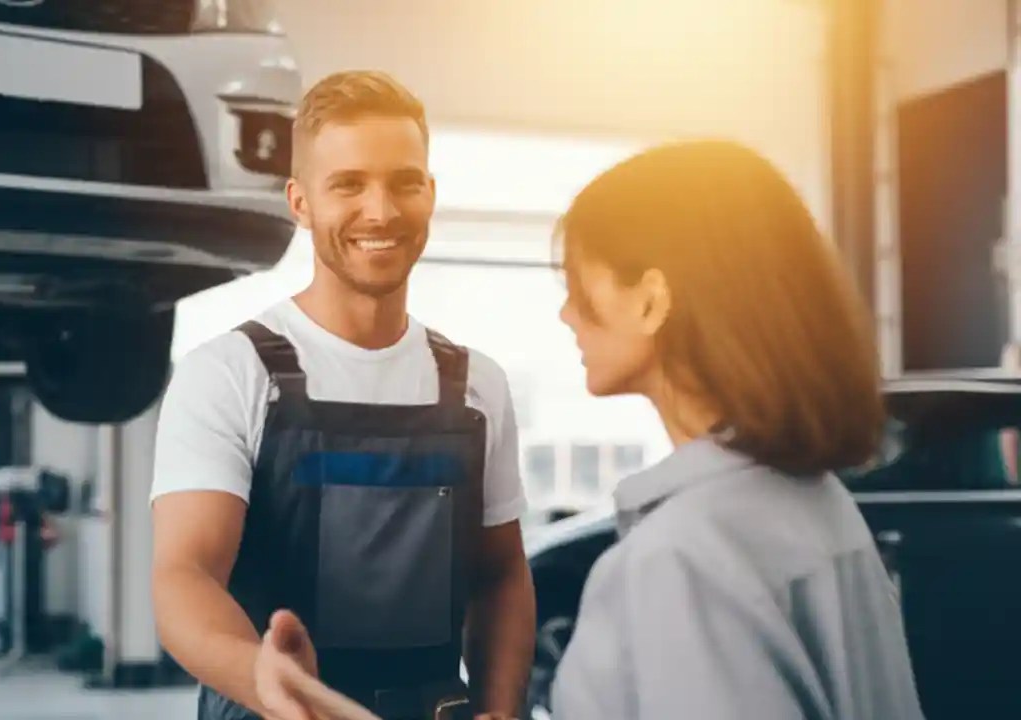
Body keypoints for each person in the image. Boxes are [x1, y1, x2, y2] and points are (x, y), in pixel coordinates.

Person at [252, 140, 927, 720]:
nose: (567, 315)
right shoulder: (814, 506)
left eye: (578, 283)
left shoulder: (683, 557)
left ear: (652, 299)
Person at [149, 70, 536, 720]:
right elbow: (184, 573)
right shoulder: (229, 373)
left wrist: (502, 708)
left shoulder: (477, 386)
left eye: (404, 182)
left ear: (430, 194)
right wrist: (266, 680)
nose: (380, 211)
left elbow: (499, 574)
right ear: (300, 202)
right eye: (349, 184)